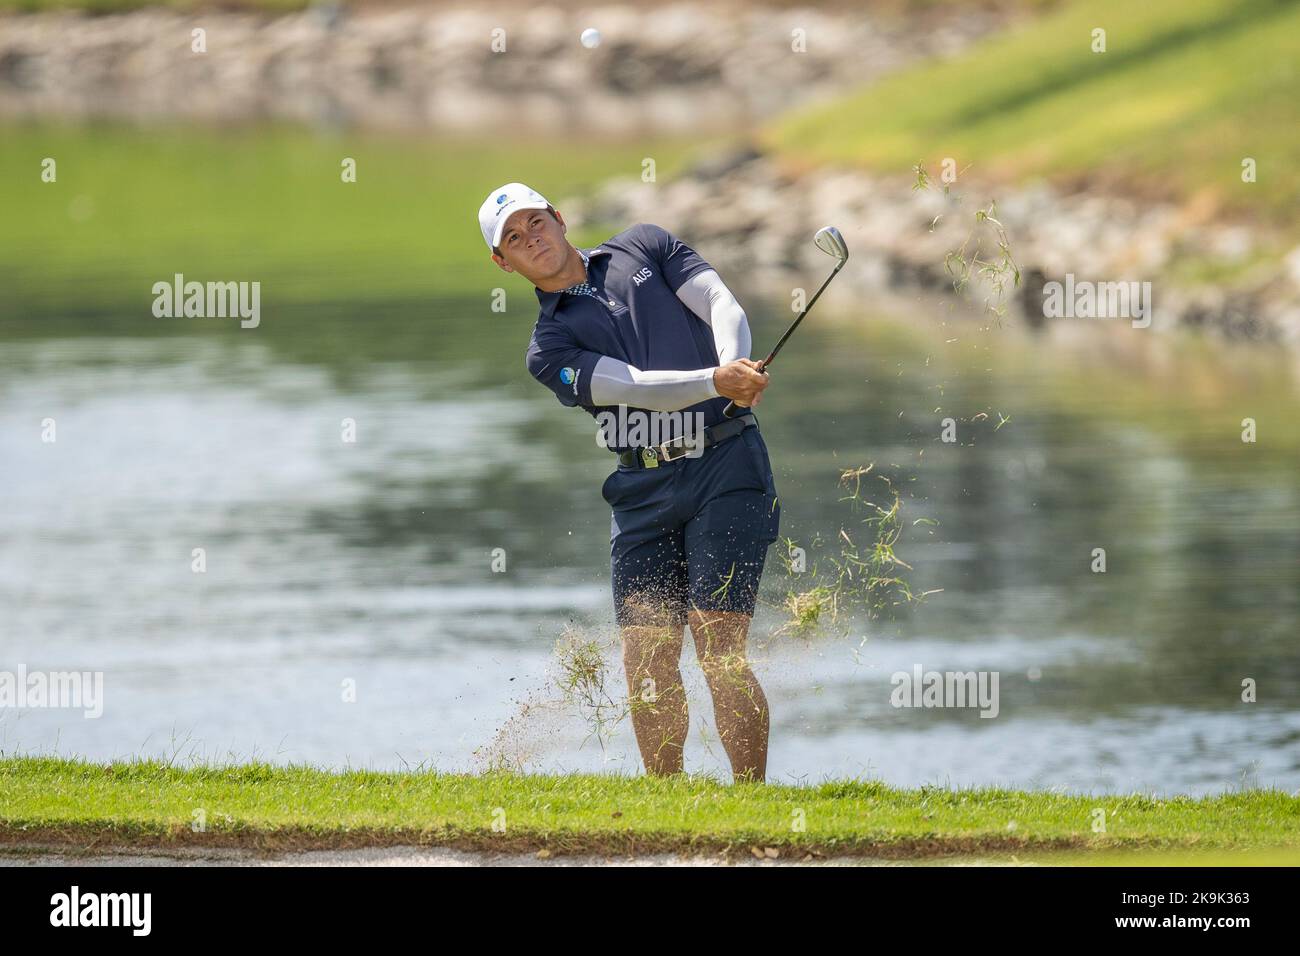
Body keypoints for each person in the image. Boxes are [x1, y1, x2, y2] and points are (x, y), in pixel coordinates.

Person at [478, 182, 780, 782]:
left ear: (560, 218)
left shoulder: (644, 245)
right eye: (513, 237)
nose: (530, 238)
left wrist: (736, 366)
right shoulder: (547, 349)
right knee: (645, 658)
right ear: (502, 262)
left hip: (726, 464)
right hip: (640, 489)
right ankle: (666, 808)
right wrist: (718, 380)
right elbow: (632, 386)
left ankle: (753, 808)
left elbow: (722, 303)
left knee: (718, 645)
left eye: (535, 222)